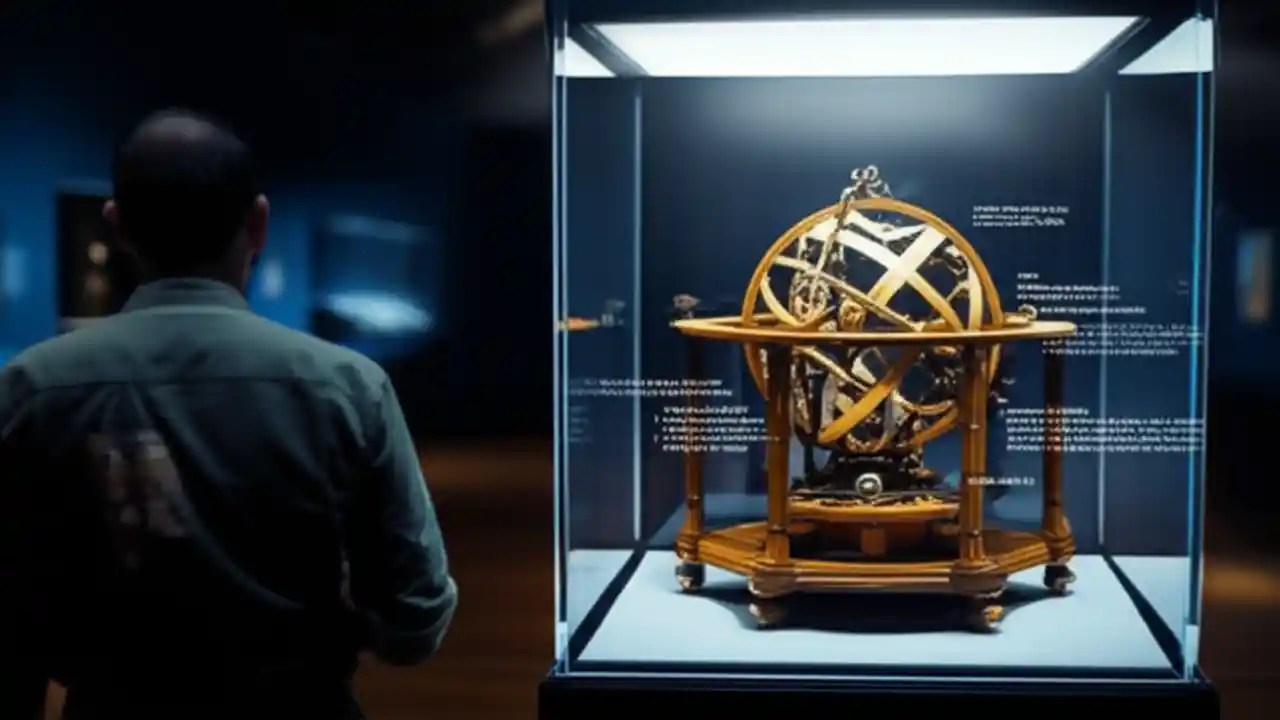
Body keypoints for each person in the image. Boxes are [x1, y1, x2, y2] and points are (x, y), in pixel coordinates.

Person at [0, 110, 458, 719]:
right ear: (259, 224)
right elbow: (414, 620)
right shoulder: (349, 386)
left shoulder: (30, 390)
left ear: (117, 226)